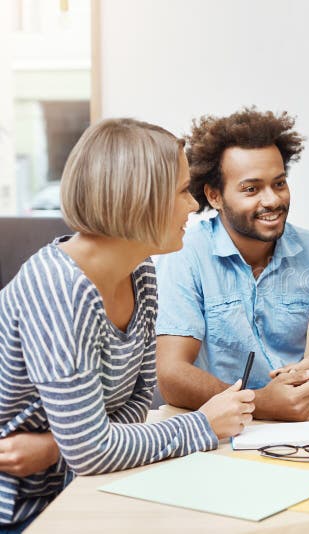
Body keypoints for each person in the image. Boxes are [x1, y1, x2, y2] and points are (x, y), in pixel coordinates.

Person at [0, 118, 255, 532]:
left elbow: (133, 411)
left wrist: (58, 447)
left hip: (78, 490)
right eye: (181, 191)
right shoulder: (58, 288)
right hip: (19, 510)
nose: (193, 205)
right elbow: (92, 449)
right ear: (138, 199)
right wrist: (203, 424)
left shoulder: (142, 275)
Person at [155, 108, 309, 422]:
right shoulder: (185, 254)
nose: (271, 200)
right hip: (215, 427)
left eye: (279, 184)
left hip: (299, 424)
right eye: (251, 189)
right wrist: (262, 402)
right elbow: (172, 376)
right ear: (215, 196)